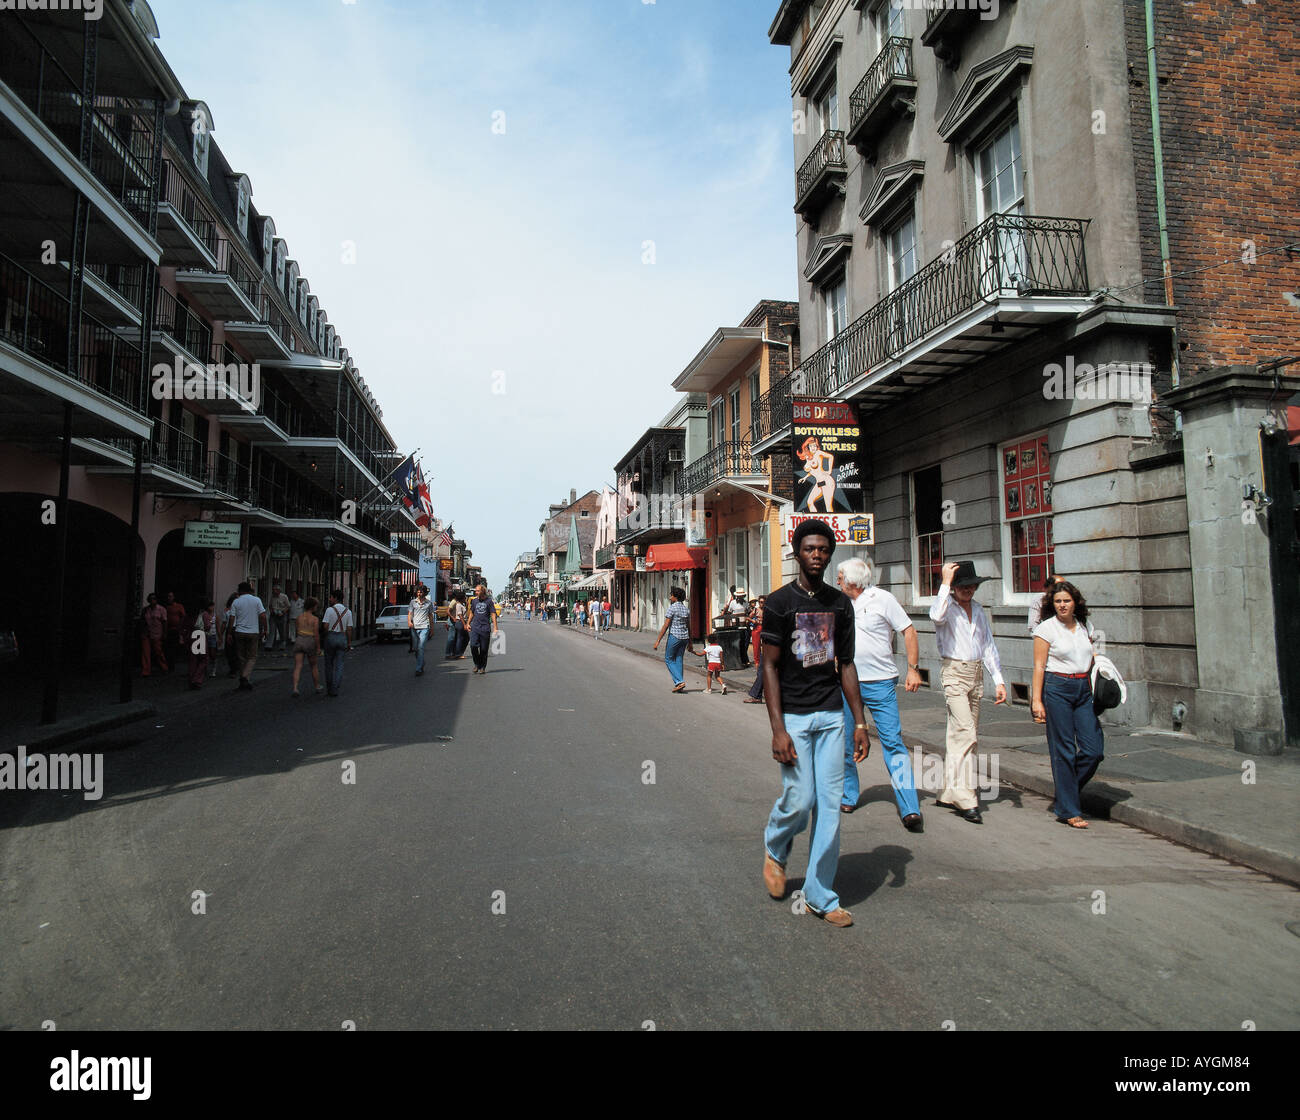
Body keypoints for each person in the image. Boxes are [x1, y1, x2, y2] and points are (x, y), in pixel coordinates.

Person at [761, 519, 870, 929]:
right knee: (801, 798)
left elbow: (847, 665)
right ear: (796, 551)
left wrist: (859, 722)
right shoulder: (779, 603)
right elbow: (769, 667)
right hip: (793, 715)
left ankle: (820, 895)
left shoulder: (840, 604)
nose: (817, 555)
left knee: (830, 807)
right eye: (809, 548)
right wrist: (778, 729)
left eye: (824, 549)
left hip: (830, 715)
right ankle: (776, 846)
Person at [835, 557, 924, 831]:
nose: (837, 581)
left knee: (893, 742)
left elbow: (908, 631)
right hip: (847, 683)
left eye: (839, 577)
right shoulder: (839, 604)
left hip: (881, 682)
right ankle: (848, 795)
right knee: (846, 743)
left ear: (852, 580)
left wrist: (913, 669)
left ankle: (910, 807)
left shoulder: (882, 599)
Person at [928, 561, 1006, 824]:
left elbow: (988, 645)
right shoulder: (946, 606)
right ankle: (966, 798)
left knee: (959, 734)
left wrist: (999, 680)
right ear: (954, 587)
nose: (968, 590)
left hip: (976, 674)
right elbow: (935, 616)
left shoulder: (978, 609)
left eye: (972, 585)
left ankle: (949, 791)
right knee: (966, 732)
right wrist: (945, 583)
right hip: (954, 673)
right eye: (963, 586)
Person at [1031, 580, 1104, 829]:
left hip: (1084, 689)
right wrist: (1036, 700)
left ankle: (1066, 792)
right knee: (1063, 750)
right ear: (1053, 605)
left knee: (1094, 750)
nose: (1062, 605)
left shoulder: (1085, 626)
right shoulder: (1046, 629)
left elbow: (1095, 656)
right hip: (1057, 688)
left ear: (1076, 603)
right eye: (1058, 601)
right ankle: (1069, 810)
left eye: (1067, 601)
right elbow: (1039, 666)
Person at [652, 586, 695, 693]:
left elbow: (666, 625)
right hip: (684, 637)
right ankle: (679, 684)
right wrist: (690, 642)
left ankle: (679, 681)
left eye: (671, 595)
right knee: (679, 658)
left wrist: (658, 640)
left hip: (674, 636)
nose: (670, 597)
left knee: (668, 659)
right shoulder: (686, 609)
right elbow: (689, 627)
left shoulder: (672, 608)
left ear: (675, 597)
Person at [230, 581, 267, 691]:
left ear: (240, 590)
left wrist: (229, 633)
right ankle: (245, 678)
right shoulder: (256, 600)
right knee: (252, 657)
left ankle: (244, 680)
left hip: (239, 631)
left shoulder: (236, 602)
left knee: (241, 657)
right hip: (253, 632)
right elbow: (263, 616)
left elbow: (232, 618)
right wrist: (265, 629)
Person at [321, 589, 354, 697]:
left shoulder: (329, 610)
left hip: (331, 636)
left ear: (335, 598)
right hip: (342, 637)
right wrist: (349, 642)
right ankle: (335, 687)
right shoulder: (348, 612)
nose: (330, 599)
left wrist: (326, 635)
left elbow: (325, 626)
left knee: (329, 664)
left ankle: (329, 687)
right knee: (339, 664)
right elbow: (349, 629)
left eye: (331, 597)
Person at [291, 596, 323, 697]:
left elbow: (297, 630)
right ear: (313, 607)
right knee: (313, 665)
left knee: (298, 665)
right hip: (310, 641)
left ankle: (295, 688)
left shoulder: (299, 617)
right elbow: (316, 634)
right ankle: (317, 686)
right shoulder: (315, 619)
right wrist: (318, 647)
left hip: (300, 639)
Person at [467, 583, 498, 675]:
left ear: (482, 591)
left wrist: (495, 627)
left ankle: (482, 667)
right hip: (475, 627)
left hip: (485, 628)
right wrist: (468, 623)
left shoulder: (489, 602)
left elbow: (493, 614)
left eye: (477, 591)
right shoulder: (474, 601)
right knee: (473, 646)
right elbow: (472, 613)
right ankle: (477, 664)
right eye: (475, 591)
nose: (475, 592)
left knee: (484, 649)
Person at [187, 599, 217, 690]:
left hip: (193, 635)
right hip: (201, 636)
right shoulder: (205, 615)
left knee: (194, 659)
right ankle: (197, 679)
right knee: (203, 659)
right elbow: (207, 626)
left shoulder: (194, 614)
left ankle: (192, 678)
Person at [744, 595, 767, 703]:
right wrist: (754, 622)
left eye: (763, 602)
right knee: (757, 649)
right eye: (761, 602)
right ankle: (758, 668)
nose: (762, 604)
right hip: (757, 629)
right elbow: (748, 617)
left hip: (766, 630)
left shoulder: (768, 611)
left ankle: (757, 694)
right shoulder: (756, 610)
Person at [408, 583, 434, 676]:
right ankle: (421, 662)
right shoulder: (413, 602)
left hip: (424, 627)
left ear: (424, 593)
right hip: (414, 627)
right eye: (418, 592)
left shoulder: (429, 603)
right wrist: (409, 622)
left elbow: (431, 616)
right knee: (415, 648)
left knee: (421, 647)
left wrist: (432, 629)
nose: (419, 594)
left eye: (421, 592)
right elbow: (410, 613)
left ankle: (418, 668)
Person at [139, 593, 168, 677]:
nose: (152, 601)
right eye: (151, 599)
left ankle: (164, 667)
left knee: (158, 651)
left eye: (154, 599)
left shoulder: (161, 609)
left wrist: (164, 633)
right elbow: (143, 621)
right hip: (147, 633)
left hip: (157, 633)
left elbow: (164, 622)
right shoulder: (146, 610)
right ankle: (146, 670)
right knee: (145, 652)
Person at [164, 591, 187, 671]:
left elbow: (183, 616)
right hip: (169, 629)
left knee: (174, 647)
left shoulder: (179, 606)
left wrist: (181, 627)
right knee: (169, 648)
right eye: (168, 596)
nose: (169, 598)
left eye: (170, 596)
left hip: (177, 629)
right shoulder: (167, 607)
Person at [220, 592, 239, 678]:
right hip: (232, 629)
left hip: (237, 629)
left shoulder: (239, 609)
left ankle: (234, 669)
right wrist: (220, 634)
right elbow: (224, 623)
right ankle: (234, 668)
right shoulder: (227, 610)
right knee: (230, 651)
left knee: (234, 650)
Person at [267, 584, 289, 651]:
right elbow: (270, 605)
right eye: (273, 590)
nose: (274, 592)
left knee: (282, 630)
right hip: (273, 615)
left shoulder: (284, 597)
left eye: (275, 590)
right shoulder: (272, 596)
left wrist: (283, 612)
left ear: (279, 591)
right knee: (272, 630)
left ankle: (282, 644)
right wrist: (271, 611)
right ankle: (269, 645)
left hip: (281, 614)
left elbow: (288, 606)